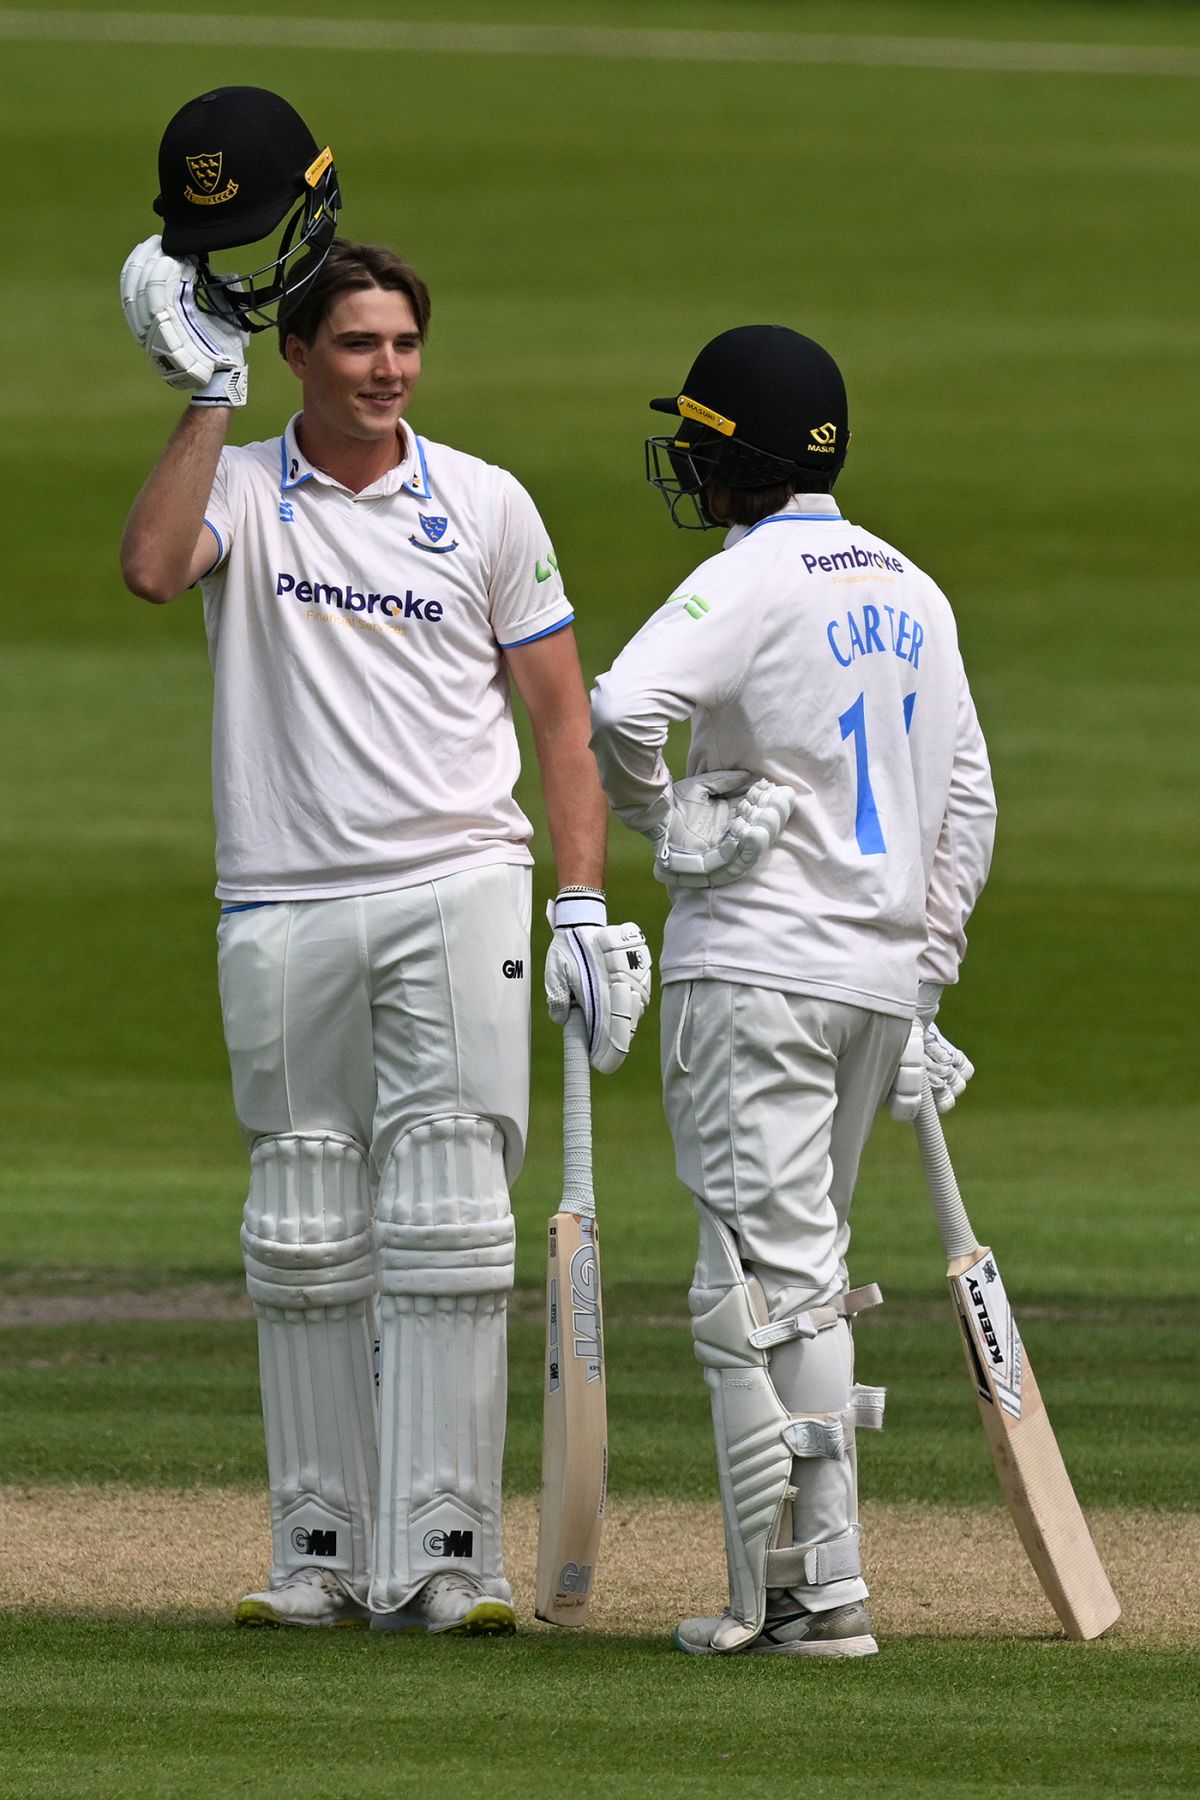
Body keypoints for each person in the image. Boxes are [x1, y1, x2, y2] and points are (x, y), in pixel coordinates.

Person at [118, 90, 650, 1636]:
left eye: (404, 345)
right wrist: (204, 398)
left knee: (451, 1217)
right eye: (355, 345)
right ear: (299, 355)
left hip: (457, 885)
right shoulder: (237, 483)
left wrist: (582, 899)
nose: (386, 368)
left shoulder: (481, 502)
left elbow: (561, 725)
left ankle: (447, 1557)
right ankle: (321, 1556)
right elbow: (153, 572)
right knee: (301, 1221)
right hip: (281, 895)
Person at [589, 325, 995, 1657]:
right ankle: (796, 1580)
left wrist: (666, 823)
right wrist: (922, 979)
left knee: (766, 1288)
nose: (688, 462)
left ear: (740, 457)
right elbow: (970, 804)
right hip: (871, 984)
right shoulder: (916, 589)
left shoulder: (754, 576)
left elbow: (621, 706)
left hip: (756, 971)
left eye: (700, 440)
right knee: (789, 1272)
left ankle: (818, 1594)